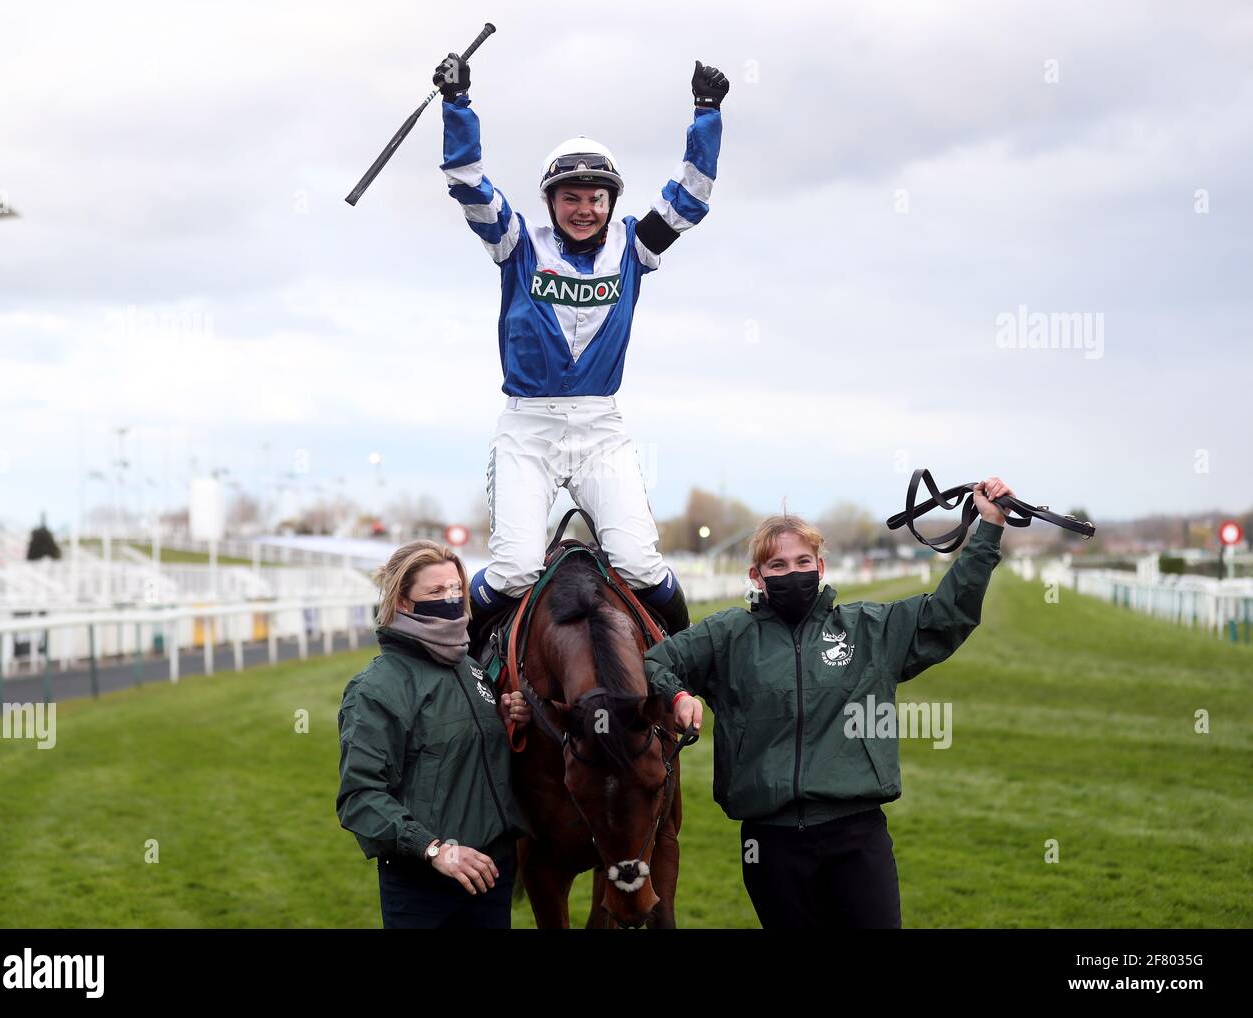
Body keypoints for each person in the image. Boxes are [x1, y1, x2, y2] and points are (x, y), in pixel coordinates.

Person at [432, 50, 730, 653]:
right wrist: (457, 104)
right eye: (571, 197)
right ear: (550, 202)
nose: (585, 207)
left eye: (596, 197)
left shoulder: (634, 247)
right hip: (528, 429)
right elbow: (467, 183)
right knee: (514, 567)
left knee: (642, 564)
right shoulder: (515, 242)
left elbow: (692, 197)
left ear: (611, 202)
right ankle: (457, 665)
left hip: (601, 429)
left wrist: (706, 115)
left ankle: (686, 665)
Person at [643, 479, 1014, 928]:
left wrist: (989, 529)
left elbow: (947, 615)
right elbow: (652, 662)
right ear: (756, 577)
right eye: (776, 564)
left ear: (820, 567)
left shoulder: (868, 629)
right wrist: (677, 694)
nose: (792, 571)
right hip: (769, 843)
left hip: (857, 836)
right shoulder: (726, 637)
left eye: (802, 561)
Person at [336, 539, 531, 928]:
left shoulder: (470, 669)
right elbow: (361, 796)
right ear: (404, 603)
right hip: (423, 886)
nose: (452, 599)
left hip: (489, 877)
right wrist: (433, 849)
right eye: (437, 591)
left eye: (457, 588)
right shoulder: (377, 688)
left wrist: (510, 718)